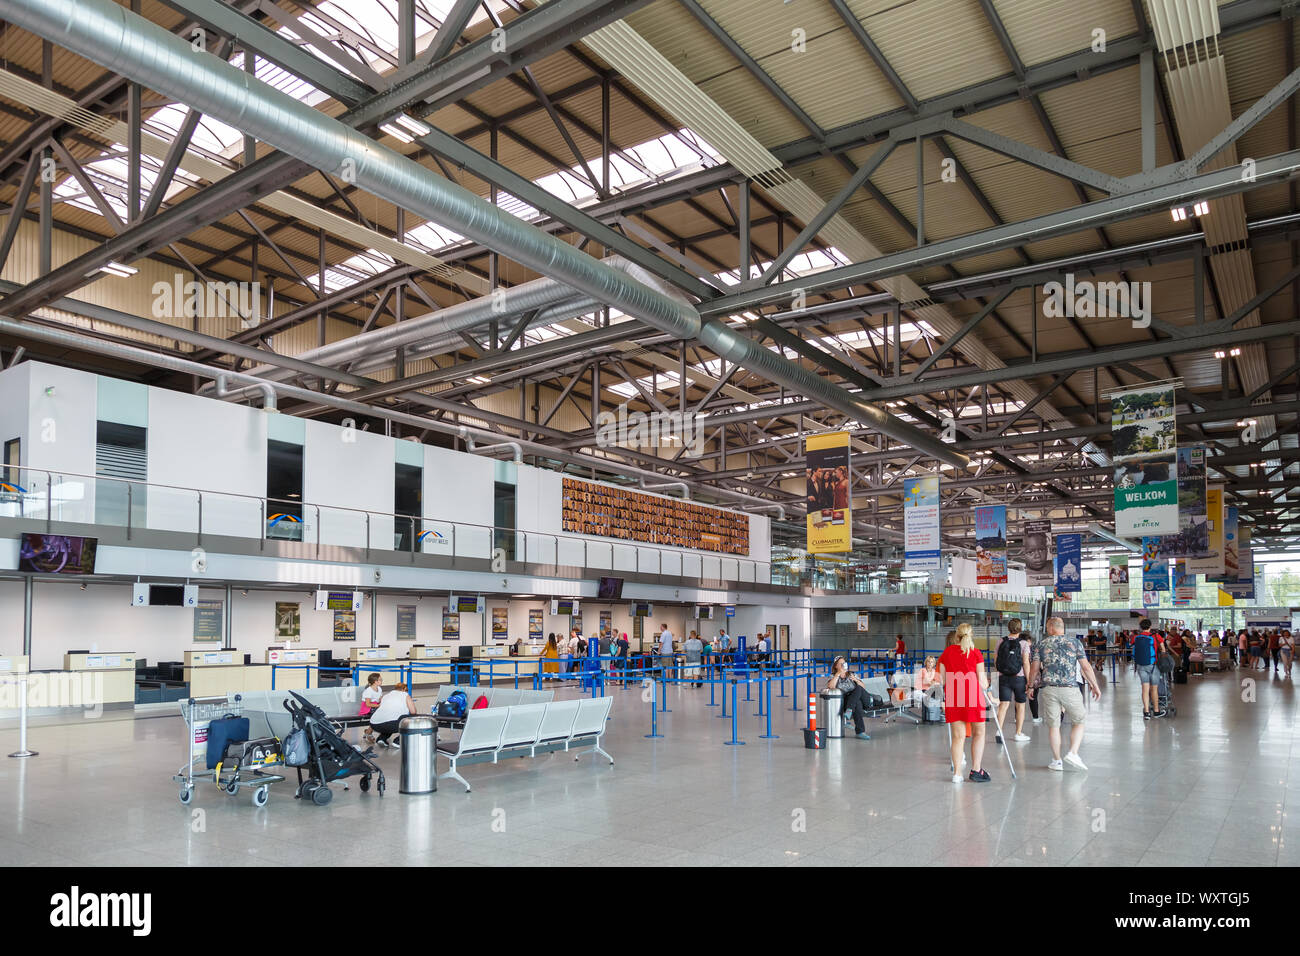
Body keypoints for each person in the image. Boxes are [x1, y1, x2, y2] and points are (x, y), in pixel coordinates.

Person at [1027, 617, 1101, 772]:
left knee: (1054, 726)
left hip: (1048, 689)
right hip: (1070, 688)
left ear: (1050, 628)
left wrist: (1030, 685)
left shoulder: (1040, 644)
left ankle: (1056, 761)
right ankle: (1073, 752)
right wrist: (1095, 685)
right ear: (1062, 628)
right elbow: (1085, 666)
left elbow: (1034, 669)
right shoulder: (1074, 643)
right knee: (1079, 720)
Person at [938, 622, 990, 783]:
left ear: (956, 636)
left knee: (958, 737)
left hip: (954, 696)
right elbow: (983, 682)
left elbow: (943, 680)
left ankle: (957, 774)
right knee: (979, 733)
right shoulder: (976, 653)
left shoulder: (947, 653)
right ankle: (976, 769)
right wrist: (987, 684)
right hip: (974, 697)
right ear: (971, 635)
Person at [993, 618, 1031, 742]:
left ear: (1009, 627)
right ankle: (1018, 733)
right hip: (1018, 678)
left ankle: (999, 731)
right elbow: (1025, 663)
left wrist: (1001, 672)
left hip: (1003, 677)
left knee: (1003, 705)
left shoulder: (1000, 641)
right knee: (1020, 705)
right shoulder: (1024, 643)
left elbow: (996, 661)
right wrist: (1029, 680)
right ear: (1020, 628)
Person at [824, 656, 871, 740]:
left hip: (865, 700)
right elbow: (830, 686)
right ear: (836, 666)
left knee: (859, 689)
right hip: (851, 701)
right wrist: (838, 674)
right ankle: (860, 732)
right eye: (841, 664)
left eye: (844, 663)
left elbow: (863, 687)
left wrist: (855, 680)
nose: (843, 665)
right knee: (857, 704)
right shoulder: (833, 676)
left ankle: (849, 710)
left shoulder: (852, 674)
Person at [1131, 618, 1167, 720]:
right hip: (1152, 665)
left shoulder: (1136, 637)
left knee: (1144, 689)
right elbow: (1163, 649)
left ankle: (1146, 712)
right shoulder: (1156, 636)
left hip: (1140, 665)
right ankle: (1156, 711)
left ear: (1141, 627)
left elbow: (1133, 646)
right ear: (1150, 626)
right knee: (1154, 689)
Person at [369, 681, 416, 749]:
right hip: (391, 724)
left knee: (391, 718)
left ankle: (382, 739)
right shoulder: (405, 695)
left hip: (374, 724)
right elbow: (413, 712)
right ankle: (398, 741)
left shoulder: (386, 696)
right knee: (409, 719)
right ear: (404, 689)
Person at [359, 672, 383, 746]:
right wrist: (379, 705)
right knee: (377, 715)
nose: (382, 680)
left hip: (375, 706)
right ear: (375, 682)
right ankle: (369, 733)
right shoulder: (368, 691)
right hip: (367, 708)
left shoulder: (379, 689)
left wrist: (382, 703)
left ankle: (368, 732)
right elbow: (368, 704)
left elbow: (379, 699)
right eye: (380, 679)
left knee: (383, 712)